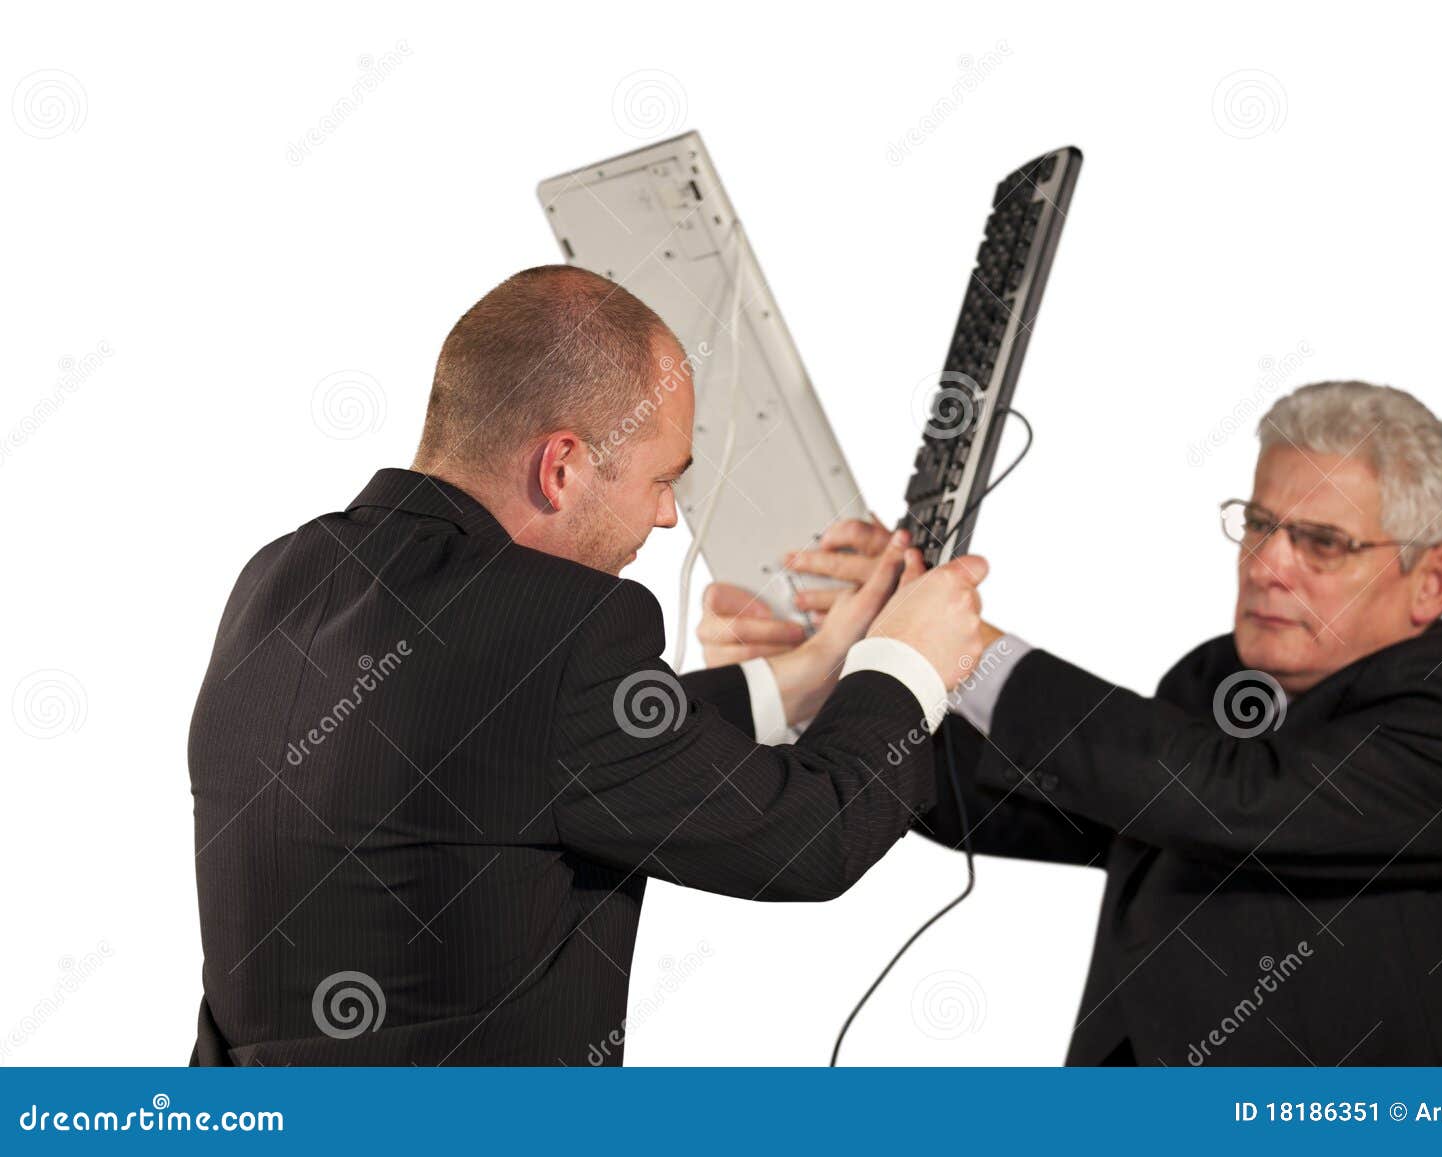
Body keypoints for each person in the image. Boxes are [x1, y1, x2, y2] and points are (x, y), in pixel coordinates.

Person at [188, 266, 988, 1066]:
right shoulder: (562, 631)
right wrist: (906, 662)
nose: (668, 515)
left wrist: (804, 675)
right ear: (561, 467)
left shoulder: (283, 577)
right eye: (662, 479)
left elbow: (517, 742)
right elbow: (812, 838)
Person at [700, 381, 1442, 1065]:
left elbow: (1237, 801)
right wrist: (846, 681)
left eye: (1321, 541)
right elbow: (1031, 798)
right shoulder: (1219, 683)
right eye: (1260, 523)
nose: (1268, 563)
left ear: (1432, 580)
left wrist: (969, 648)